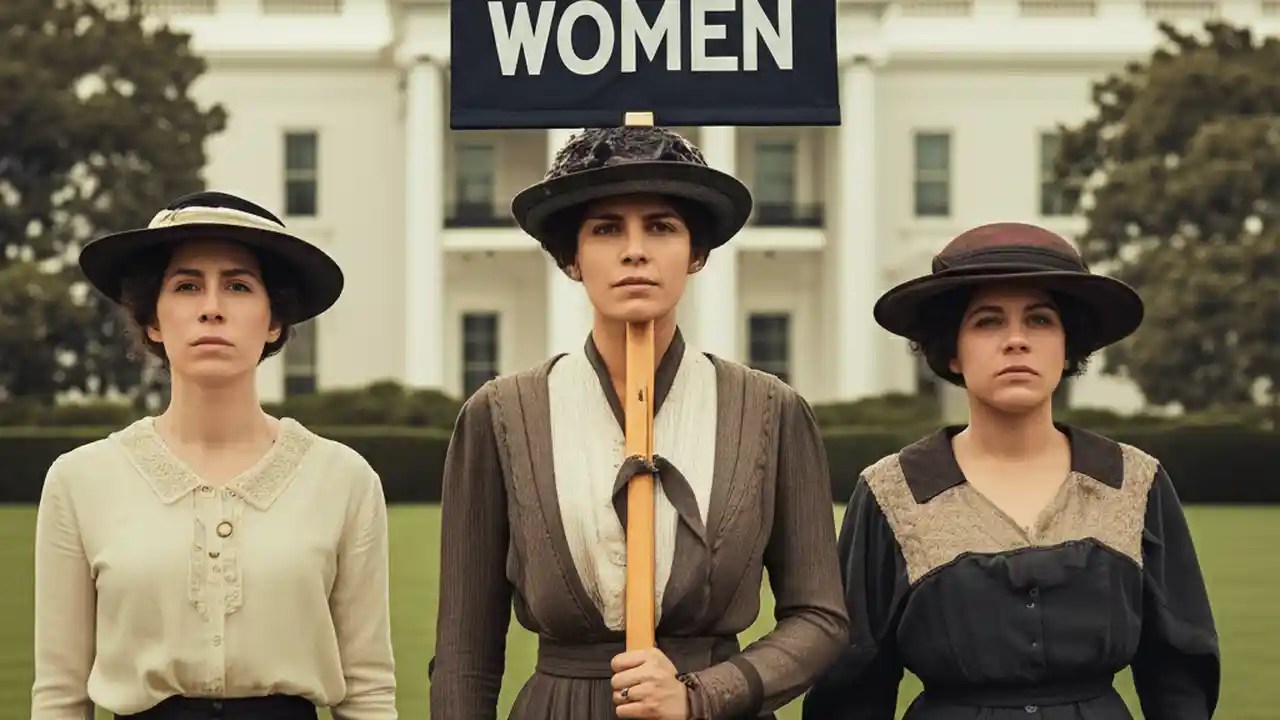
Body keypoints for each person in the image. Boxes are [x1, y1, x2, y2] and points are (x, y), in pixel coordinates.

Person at [429, 125, 848, 720]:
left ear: (696, 253)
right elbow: (465, 649)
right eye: (605, 229)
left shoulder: (769, 410)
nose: (635, 251)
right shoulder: (501, 414)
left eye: (661, 227)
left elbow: (820, 618)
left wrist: (704, 694)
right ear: (572, 258)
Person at [801, 222, 1220, 719]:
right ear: (953, 351)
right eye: (988, 322)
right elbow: (853, 686)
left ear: (1068, 347)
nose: (1016, 340)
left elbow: (1179, 676)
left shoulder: (1133, 481)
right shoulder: (893, 491)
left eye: (1040, 321)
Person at [32, 191, 397, 719]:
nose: (211, 307)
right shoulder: (81, 480)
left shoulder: (342, 480)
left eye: (238, 285)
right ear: (152, 319)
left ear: (274, 321)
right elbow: (60, 696)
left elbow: (368, 691)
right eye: (185, 286)